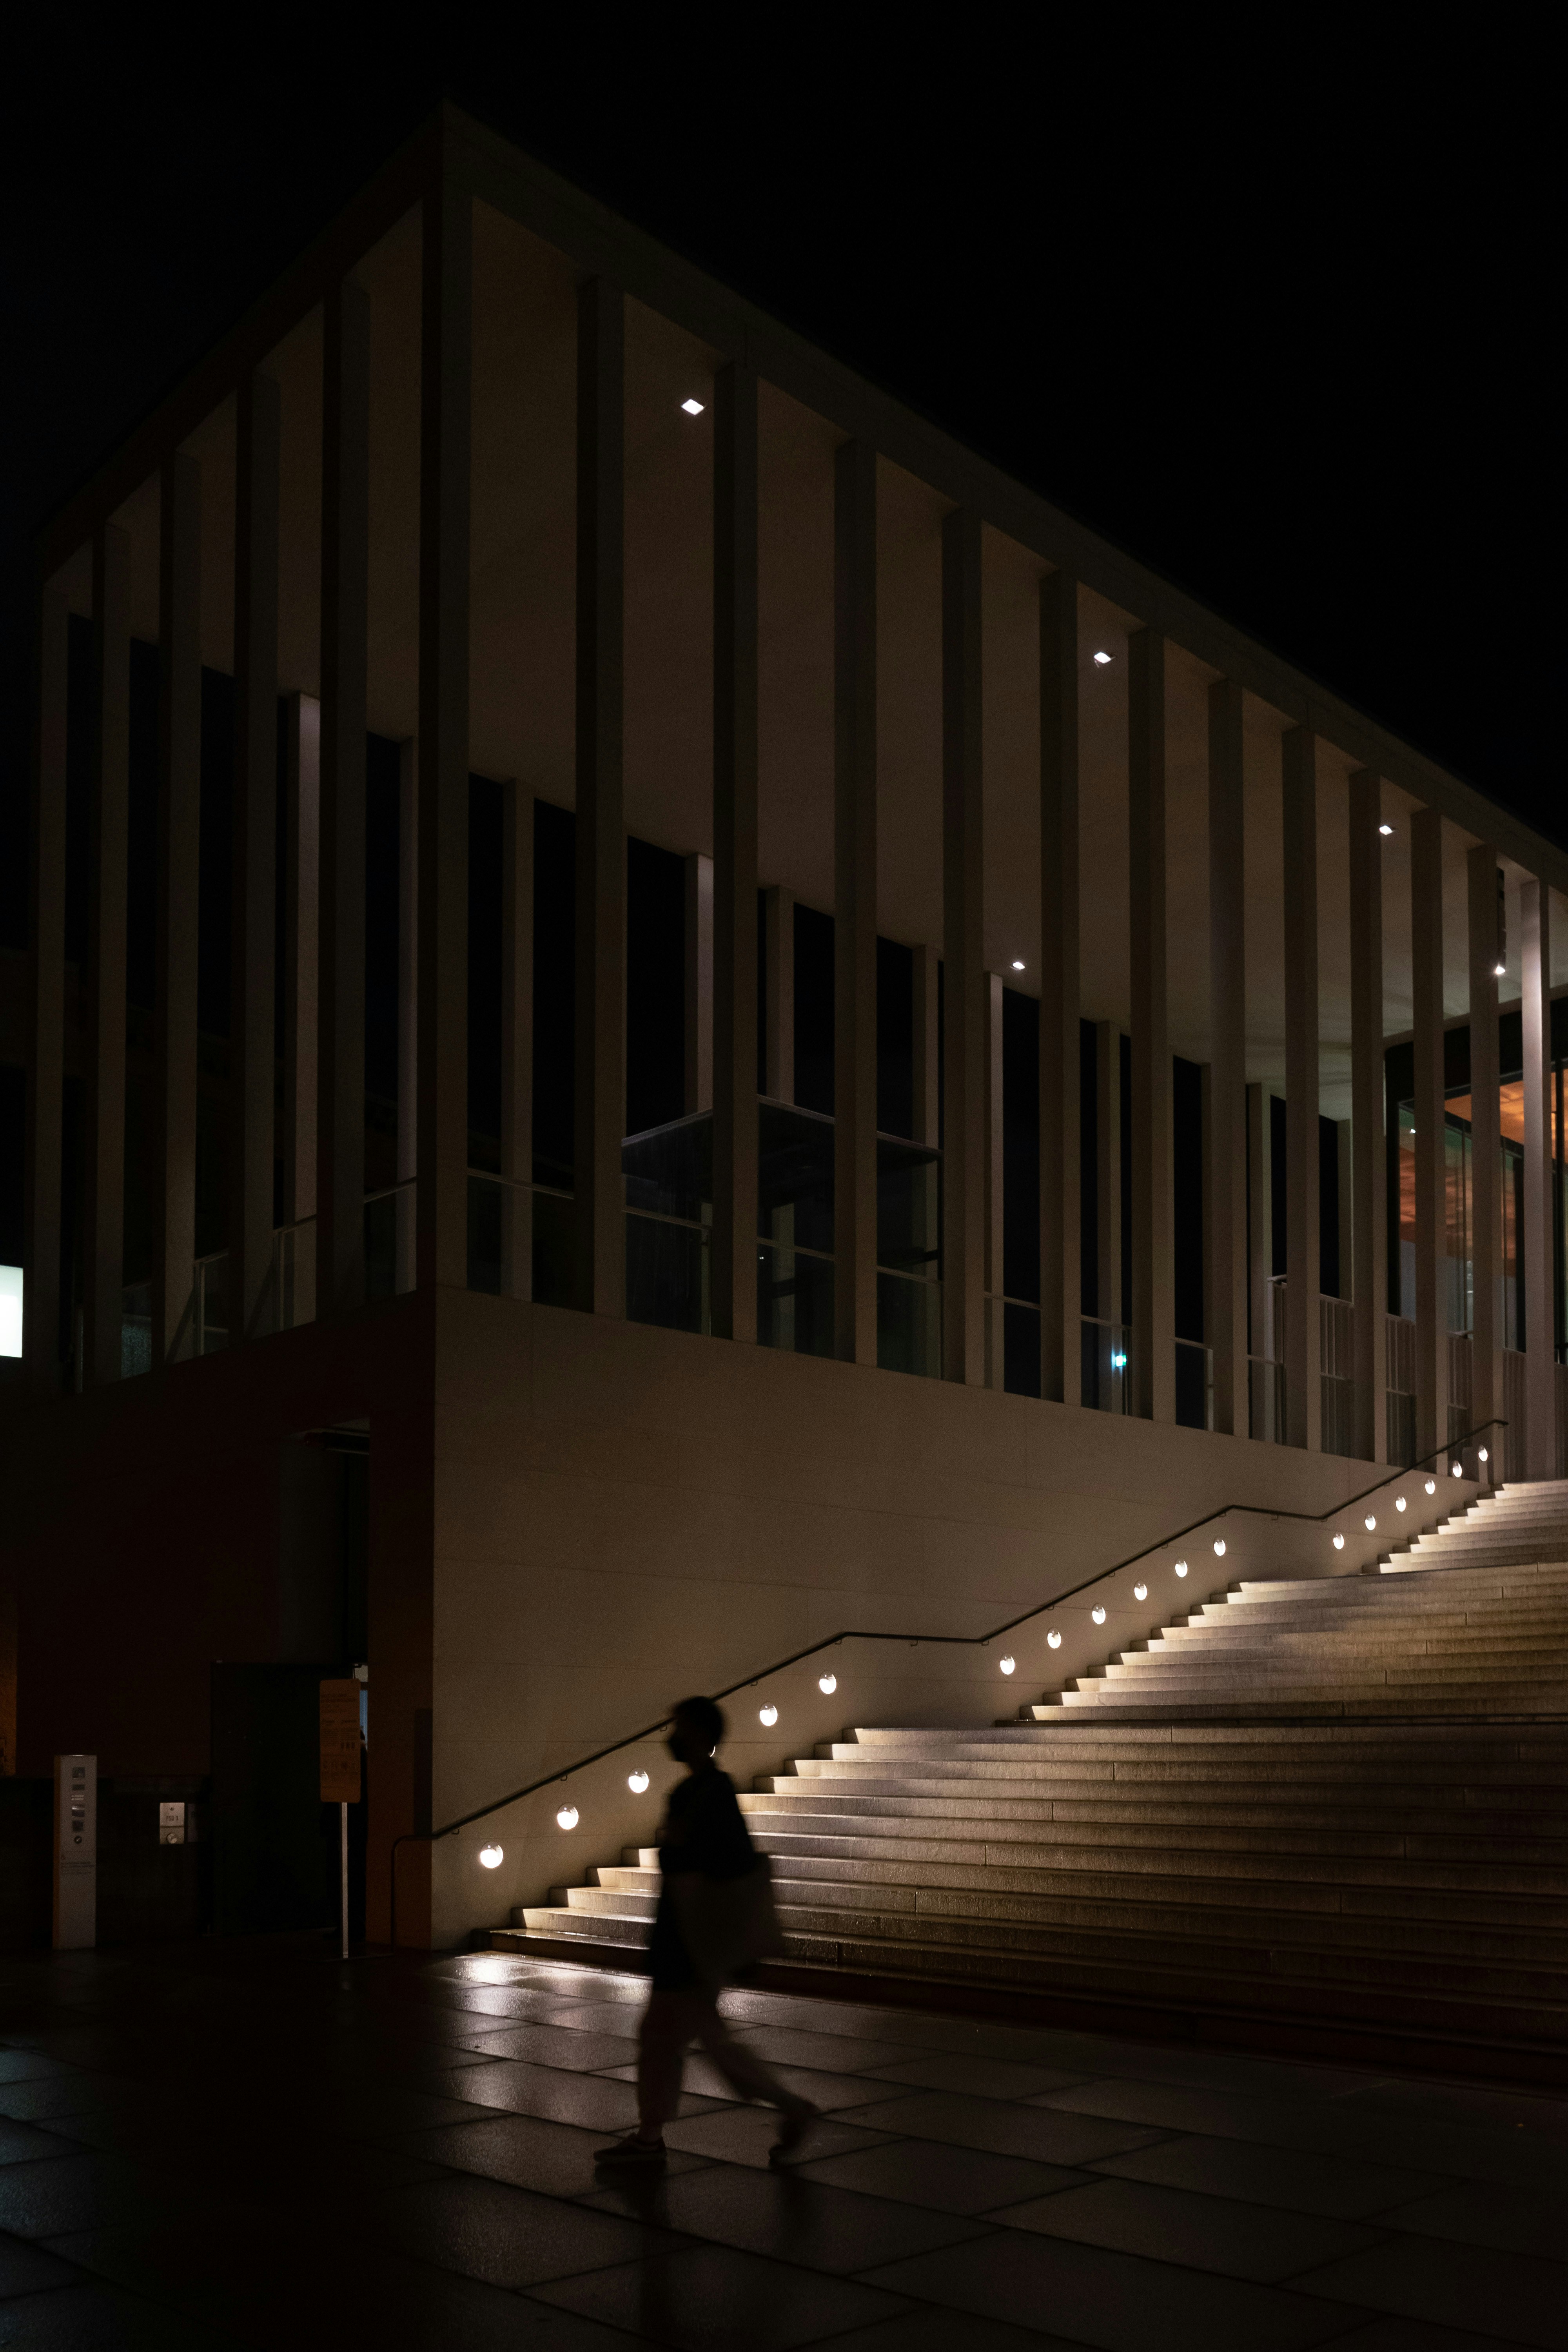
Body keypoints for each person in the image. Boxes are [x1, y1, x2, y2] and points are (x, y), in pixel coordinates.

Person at [594, 1694, 817, 2169]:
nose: (670, 1738)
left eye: (678, 1728)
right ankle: (653, 2135)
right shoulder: (696, 1792)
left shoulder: (708, 1794)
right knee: (680, 2036)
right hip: (689, 1939)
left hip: (692, 1943)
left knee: (682, 2038)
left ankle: (786, 2108)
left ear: (698, 1733)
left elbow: (730, 1867)